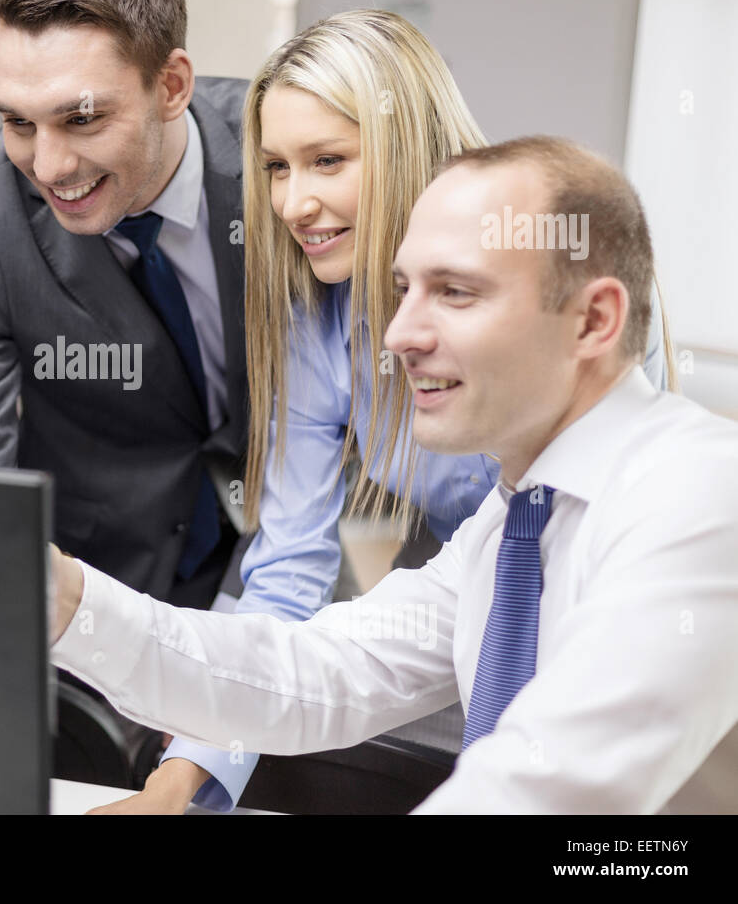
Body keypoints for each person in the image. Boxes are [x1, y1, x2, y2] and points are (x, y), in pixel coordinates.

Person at [49, 136, 738, 813]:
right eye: (405, 289)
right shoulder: (511, 525)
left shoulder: (698, 492)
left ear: (593, 319)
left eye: (456, 292)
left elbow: (548, 787)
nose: (399, 335)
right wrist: (69, 602)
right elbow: (308, 676)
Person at [0, 0, 248, 608]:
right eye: (19, 123)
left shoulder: (280, 158)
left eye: (83, 119)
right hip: (95, 587)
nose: (49, 168)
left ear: (171, 84)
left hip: (287, 554)